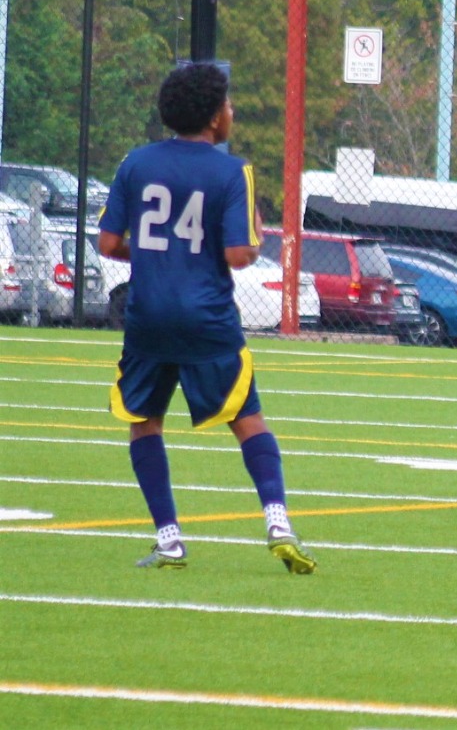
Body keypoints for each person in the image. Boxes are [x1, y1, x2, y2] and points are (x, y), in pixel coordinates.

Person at [100, 62, 315, 574]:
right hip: (207, 317)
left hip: (149, 316)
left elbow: (109, 244)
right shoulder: (229, 169)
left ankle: (169, 538)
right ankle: (278, 522)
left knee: (145, 423)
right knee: (248, 420)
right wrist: (254, 236)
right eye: (229, 104)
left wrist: (158, 254)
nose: (232, 112)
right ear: (216, 118)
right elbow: (240, 254)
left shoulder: (136, 162)